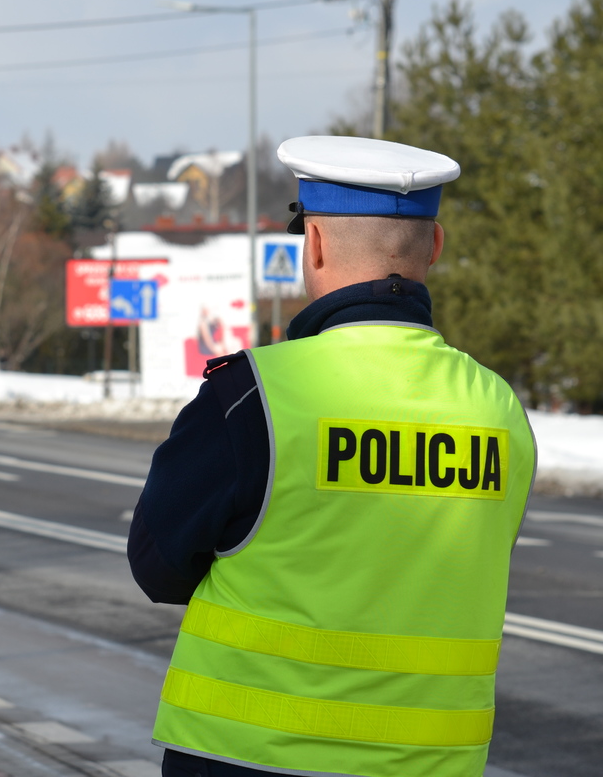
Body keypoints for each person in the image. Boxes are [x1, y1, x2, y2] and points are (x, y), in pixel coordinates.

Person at [129, 136, 536, 777]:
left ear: (312, 244)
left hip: (252, 760)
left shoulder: (253, 396)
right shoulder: (497, 409)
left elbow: (158, 566)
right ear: (434, 246)